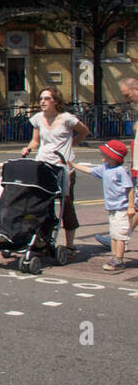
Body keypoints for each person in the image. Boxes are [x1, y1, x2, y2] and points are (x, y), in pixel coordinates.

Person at [22, 86, 89, 257]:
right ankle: (44, 240)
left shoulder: (67, 119)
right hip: (43, 167)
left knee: (66, 206)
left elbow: (84, 131)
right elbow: (35, 141)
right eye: (41, 99)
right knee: (42, 205)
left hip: (63, 169)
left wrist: (71, 146)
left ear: (56, 101)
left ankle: (70, 245)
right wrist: (28, 148)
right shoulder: (37, 118)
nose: (42, 102)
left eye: (46, 98)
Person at [60, 139, 134, 271]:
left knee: (120, 235)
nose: (102, 156)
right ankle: (114, 256)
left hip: (121, 208)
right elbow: (89, 170)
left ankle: (119, 259)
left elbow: (130, 188)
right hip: (111, 208)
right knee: (113, 234)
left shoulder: (121, 171)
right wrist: (73, 165)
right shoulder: (105, 168)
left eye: (104, 154)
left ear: (113, 156)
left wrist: (130, 206)